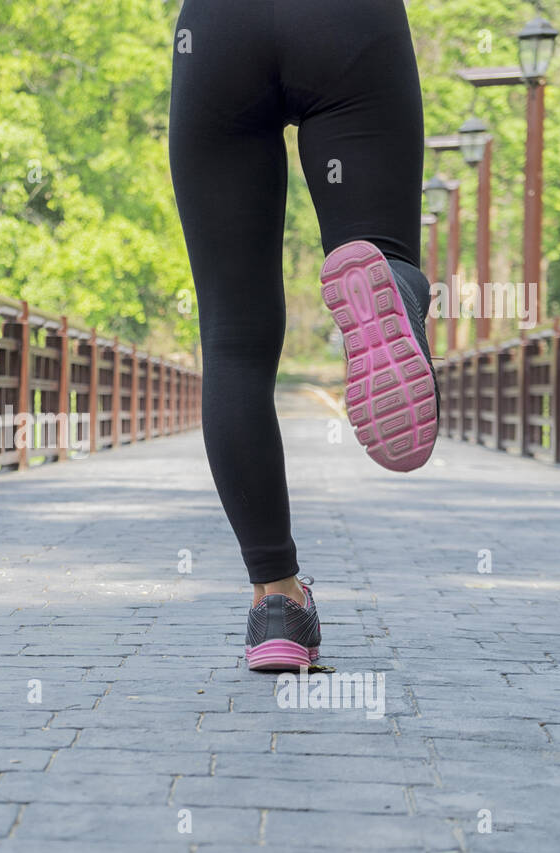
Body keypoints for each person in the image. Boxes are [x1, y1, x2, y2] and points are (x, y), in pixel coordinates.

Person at [167, 0, 438, 671]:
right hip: (349, 23)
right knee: (382, 245)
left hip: (218, 34)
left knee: (233, 340)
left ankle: (277, 603)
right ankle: (394, 288)